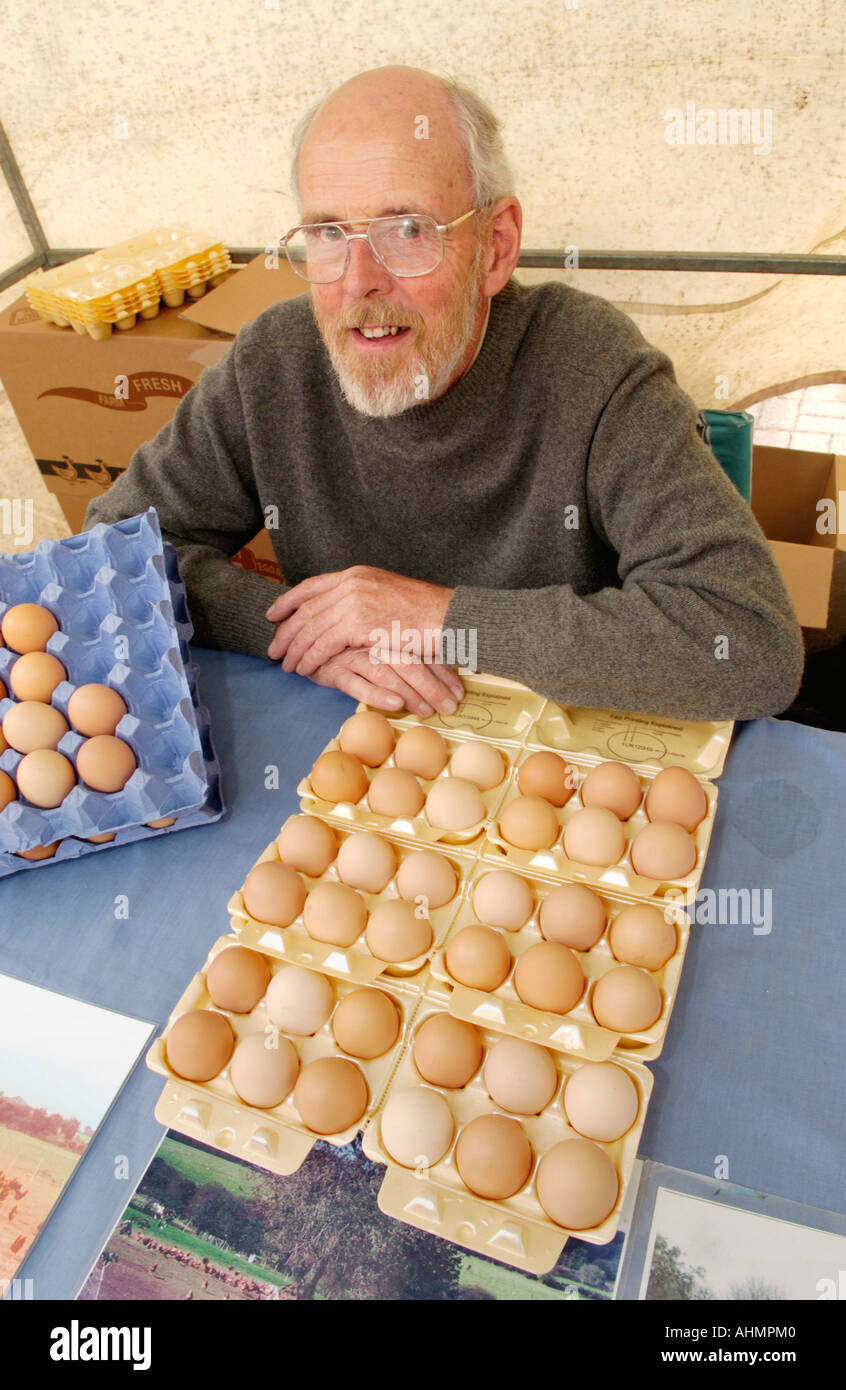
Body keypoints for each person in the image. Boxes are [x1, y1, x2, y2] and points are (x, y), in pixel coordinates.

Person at [85, 65, 803, 722]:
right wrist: (304, 630)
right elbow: (109, 556)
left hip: (558, 757)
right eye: (329, 232)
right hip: (355, 744)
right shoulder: (273, 361)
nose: (359, 281)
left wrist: (435, 618)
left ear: (495, 246)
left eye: (407, 229)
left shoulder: (594, 368)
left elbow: (747, 644)